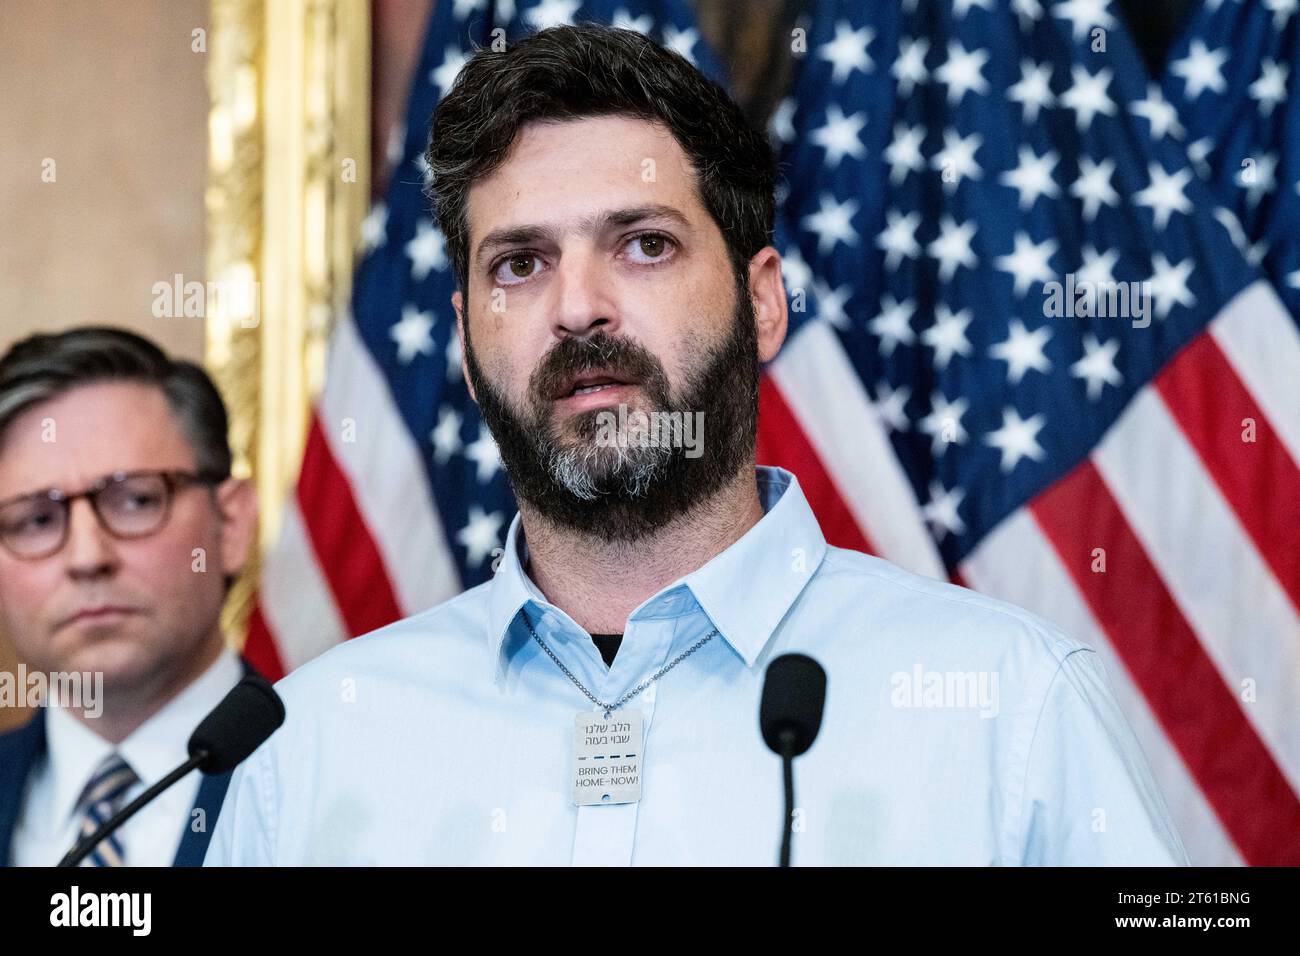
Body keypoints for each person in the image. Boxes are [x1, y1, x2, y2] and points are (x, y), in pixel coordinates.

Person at [205, 25, 1187, 865]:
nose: (578, 306)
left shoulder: (1014, 708)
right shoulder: (311, 746)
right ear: (464, 342)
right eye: (520, 262)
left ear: (763, 302)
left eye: (642, 243)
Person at [0, 328, 258, 866]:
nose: (87, 557)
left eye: (136, 500)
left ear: (230, 525)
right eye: (36, 519)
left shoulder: (335, 768)